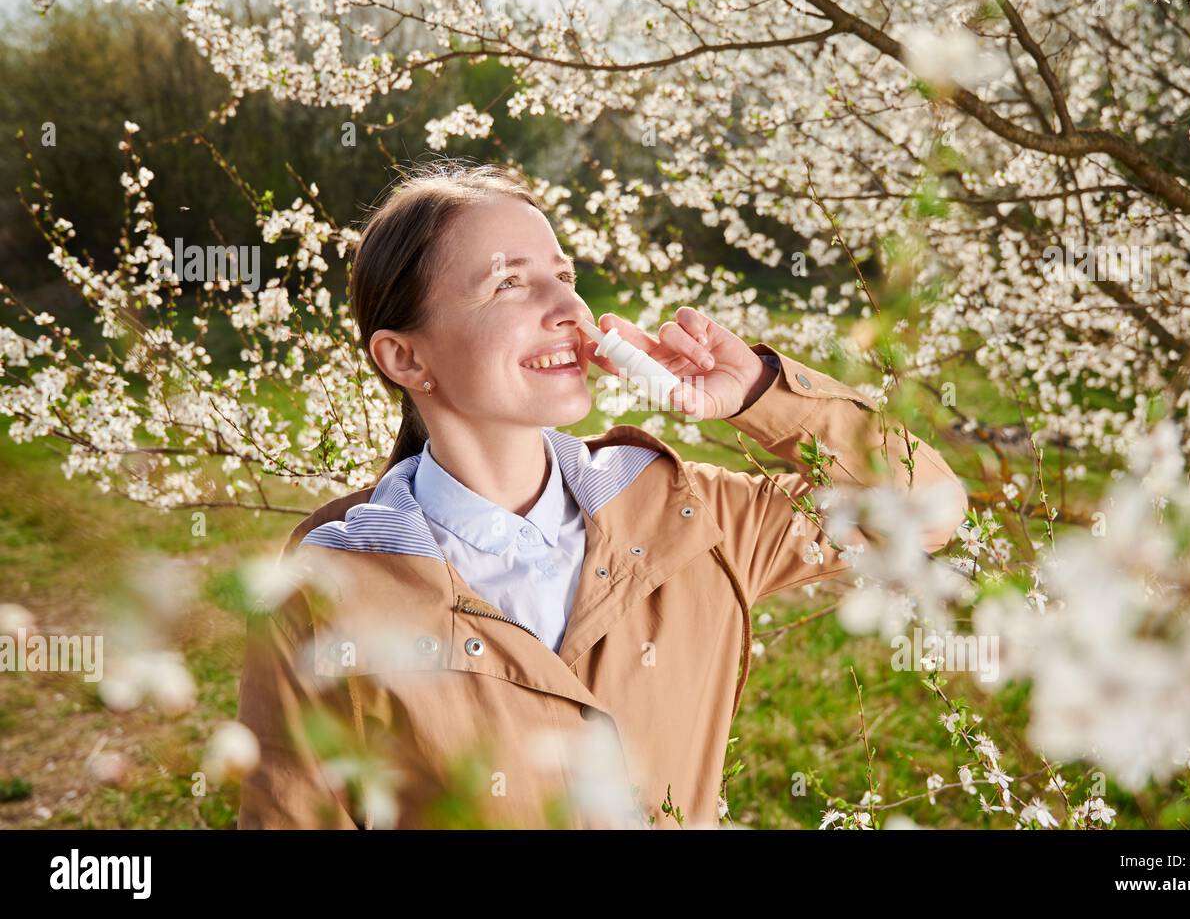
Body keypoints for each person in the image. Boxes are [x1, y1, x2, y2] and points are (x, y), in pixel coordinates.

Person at [234, 161, 968, 829]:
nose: (569, 306)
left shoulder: (690, 517)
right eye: (510, 282)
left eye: (565, 273)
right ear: (405, 356)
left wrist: (760, 394)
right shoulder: (326, 596)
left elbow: (926, 509)